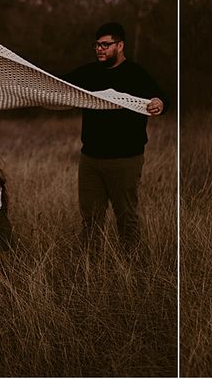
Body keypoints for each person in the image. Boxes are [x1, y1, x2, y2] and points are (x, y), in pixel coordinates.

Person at [63, 22, 166, 252]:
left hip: (125, 159)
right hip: (90, 159)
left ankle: (133, 268)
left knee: (126, 218)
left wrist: (159, 102)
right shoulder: (88, 73)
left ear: (120, 46)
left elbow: (161, 96)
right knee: (90, 220)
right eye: (97, 45)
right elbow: (56, 84)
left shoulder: (136, 73)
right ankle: (91, 268)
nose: (99, 49)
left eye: (105, 45)